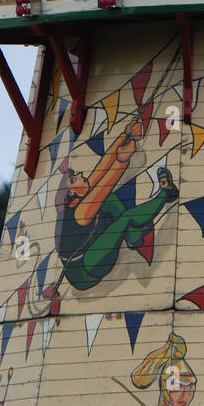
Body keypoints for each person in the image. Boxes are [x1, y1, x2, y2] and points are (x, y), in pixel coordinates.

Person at [55, 117, 177, 290]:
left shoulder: (79, 199)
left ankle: (133, 236)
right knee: (125, 217)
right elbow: (107, 182)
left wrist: (126, 135)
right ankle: (166, 193)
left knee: (109, 199)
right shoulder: (80, 212)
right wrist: (124, 158)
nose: (81, 174)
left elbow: (103, 166)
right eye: (74, 179)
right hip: (84, 272)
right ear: (72, 192)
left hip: (87, 254)